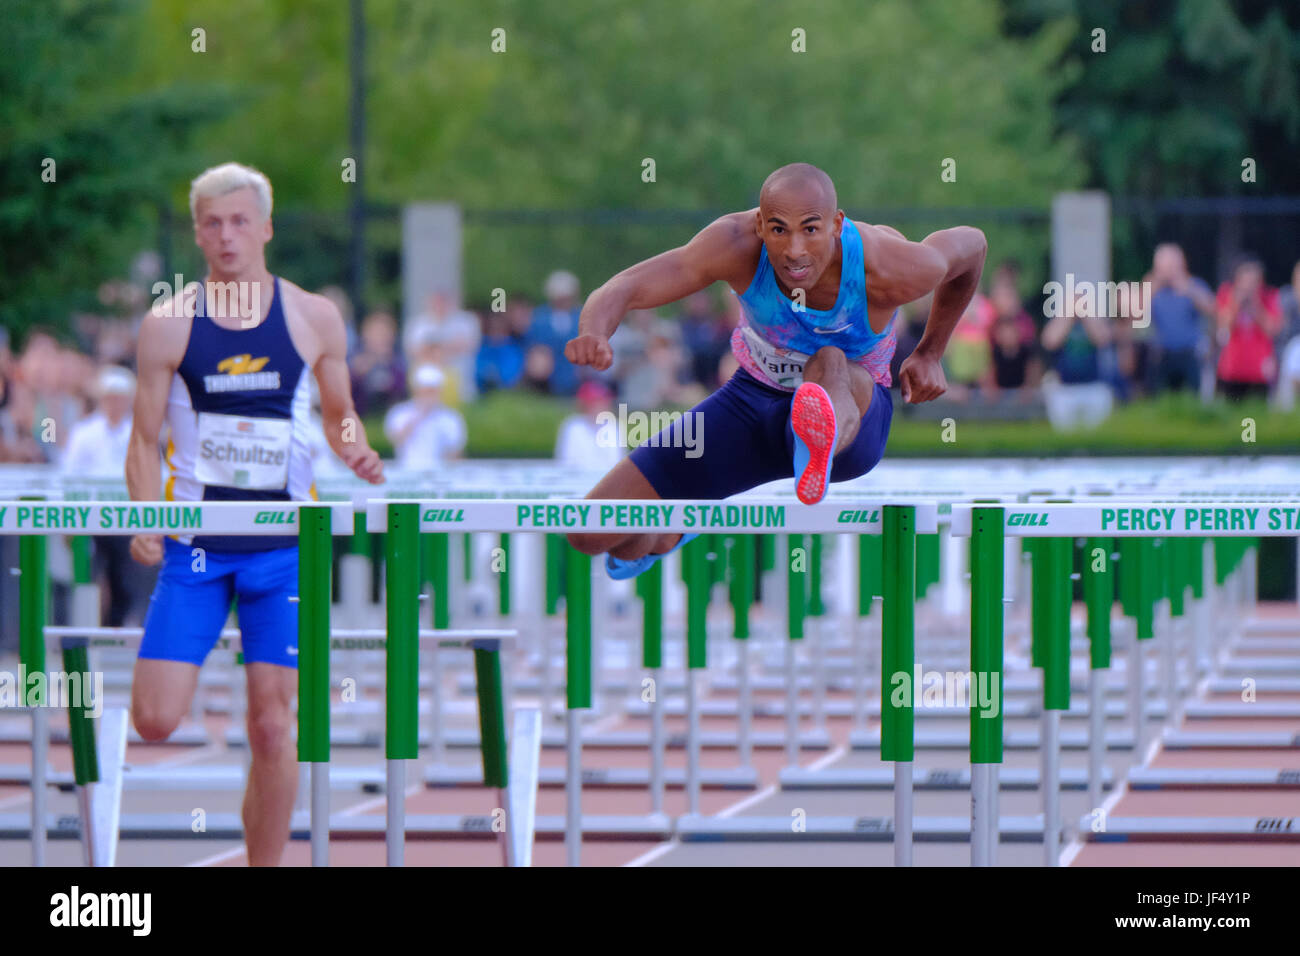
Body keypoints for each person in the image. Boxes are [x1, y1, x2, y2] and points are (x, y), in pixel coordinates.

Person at [126, 161, 384, 866]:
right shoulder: (168, 325)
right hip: (198, 546)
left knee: (272, 724)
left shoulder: (312, 316)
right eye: (212, 224)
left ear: (266, 228)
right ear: (197, 235)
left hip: (285, 548)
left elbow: (340, 416)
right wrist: (144, 516)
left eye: (240, 221)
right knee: (155, 719)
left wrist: (357, 451)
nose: (227, 236)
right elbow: (142, 441)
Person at [562, 163, 984, 575]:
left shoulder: (888, 265)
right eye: (779, 230)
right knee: (589, 532)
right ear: (761, 225)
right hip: (750, 407)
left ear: (837, 225)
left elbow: (973, 245)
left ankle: (816, 443)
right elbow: (627, 285)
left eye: (811, 230)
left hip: (853, 422)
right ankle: (671, 532)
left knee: (830, 358)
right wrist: (594, 330)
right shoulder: (735, 243)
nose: (794, 251)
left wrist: (930, 352)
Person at [62, 366, 157, 626]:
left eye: (120, 398)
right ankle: (84, 630)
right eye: (110, 398)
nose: (115, 404)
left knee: (126, 578)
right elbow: (70, 474)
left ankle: (116, 626)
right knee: (88, 577)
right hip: (89, 520)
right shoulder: (84, 433)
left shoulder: (139, 433)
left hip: (127, 519)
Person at [1144, 243, 1215, 394]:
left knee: (1192, 397)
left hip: (1190, 353)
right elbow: (1134, 314)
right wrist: (1152, 287)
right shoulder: (1152, 286)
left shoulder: (1194, 285)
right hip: (1161, 354)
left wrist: (1188, 289)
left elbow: (1211, 309)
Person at [1040, 289, 1114, 430]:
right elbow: (1049, 341)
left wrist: (1086, 315)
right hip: (1065, 388)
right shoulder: (1059, 321)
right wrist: (1068, 315)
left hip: (1093, 386)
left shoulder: (1095, 321)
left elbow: (1102, 340)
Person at [1214, 255, 1281, 402]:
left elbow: (1272, 330)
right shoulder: (1226, 293)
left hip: (1259, 371)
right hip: (1232, 369)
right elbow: (1224, 326)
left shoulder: (1269, 296)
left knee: (1256, 413)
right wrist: (1236, 304)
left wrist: (1255, 306)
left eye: (1254, 281)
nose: (1249, 286)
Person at [383, 364, 467, 470]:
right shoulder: (400, 412)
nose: (429, 395)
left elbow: (456, 451)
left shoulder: (451, 417)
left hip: (440, 473)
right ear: (416, 390)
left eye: (432, 391)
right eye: (425, 391)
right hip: (406, 471)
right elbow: (395, 439)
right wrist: (420, 415)